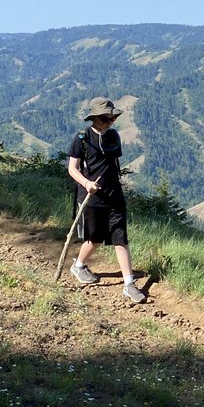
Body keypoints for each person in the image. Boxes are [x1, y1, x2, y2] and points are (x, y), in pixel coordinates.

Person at [66, 97, 147, 303]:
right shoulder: (81, 139)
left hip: (114, 195)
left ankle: (129, 284)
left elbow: (111, 164)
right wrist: (87, 184)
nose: (110, 122)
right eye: (106, 118)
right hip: (92, 197)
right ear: (94, 118)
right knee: (95, 239)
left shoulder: (113, 137)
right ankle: (79, 266)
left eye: (112, 118)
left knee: (120, 238)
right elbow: (72, 169)